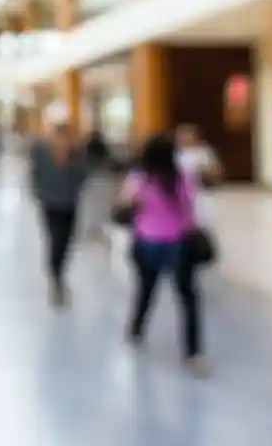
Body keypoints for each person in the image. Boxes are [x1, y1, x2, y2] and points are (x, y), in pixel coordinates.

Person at [118, 134, 206, 375]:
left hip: (146, 243)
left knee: (146, 291)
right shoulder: (182, 178)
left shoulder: (139, 178)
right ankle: (193, 353)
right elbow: (190, 212)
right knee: (188, 299)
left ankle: (136, 330)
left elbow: (125, 204)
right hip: (178, 244)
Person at [29, 123, 88, 307]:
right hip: (50, 203)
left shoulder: (76, 153)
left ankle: (59, 271)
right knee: (55, 239)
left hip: (69, 202)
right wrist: (38, 193)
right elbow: (34, 174)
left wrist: (69, 161)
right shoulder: (41, 151)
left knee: (68, 238)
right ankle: (56, 277)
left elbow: (83, 175)